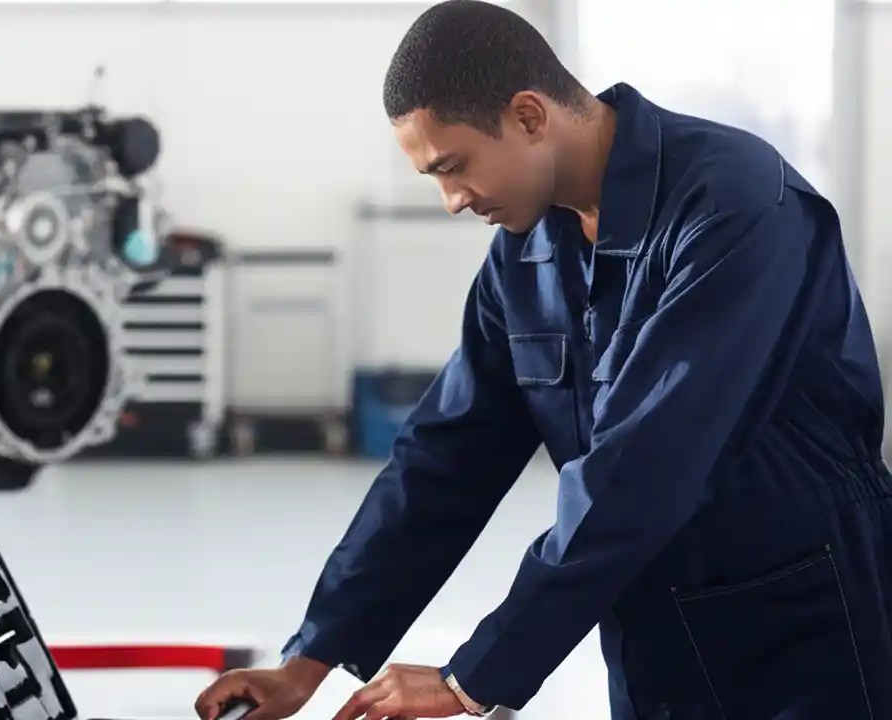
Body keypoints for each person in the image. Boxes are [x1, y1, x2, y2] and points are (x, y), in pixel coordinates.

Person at [194, 2, 892, 719]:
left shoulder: (735, 207)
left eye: (454, 167)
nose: (451, 201)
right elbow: (441, 464)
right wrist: (307, 662)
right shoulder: (526, 256)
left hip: (807, 615)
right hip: (650, 625)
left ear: (529, 116)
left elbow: (644, 468)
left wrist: (472, 677)